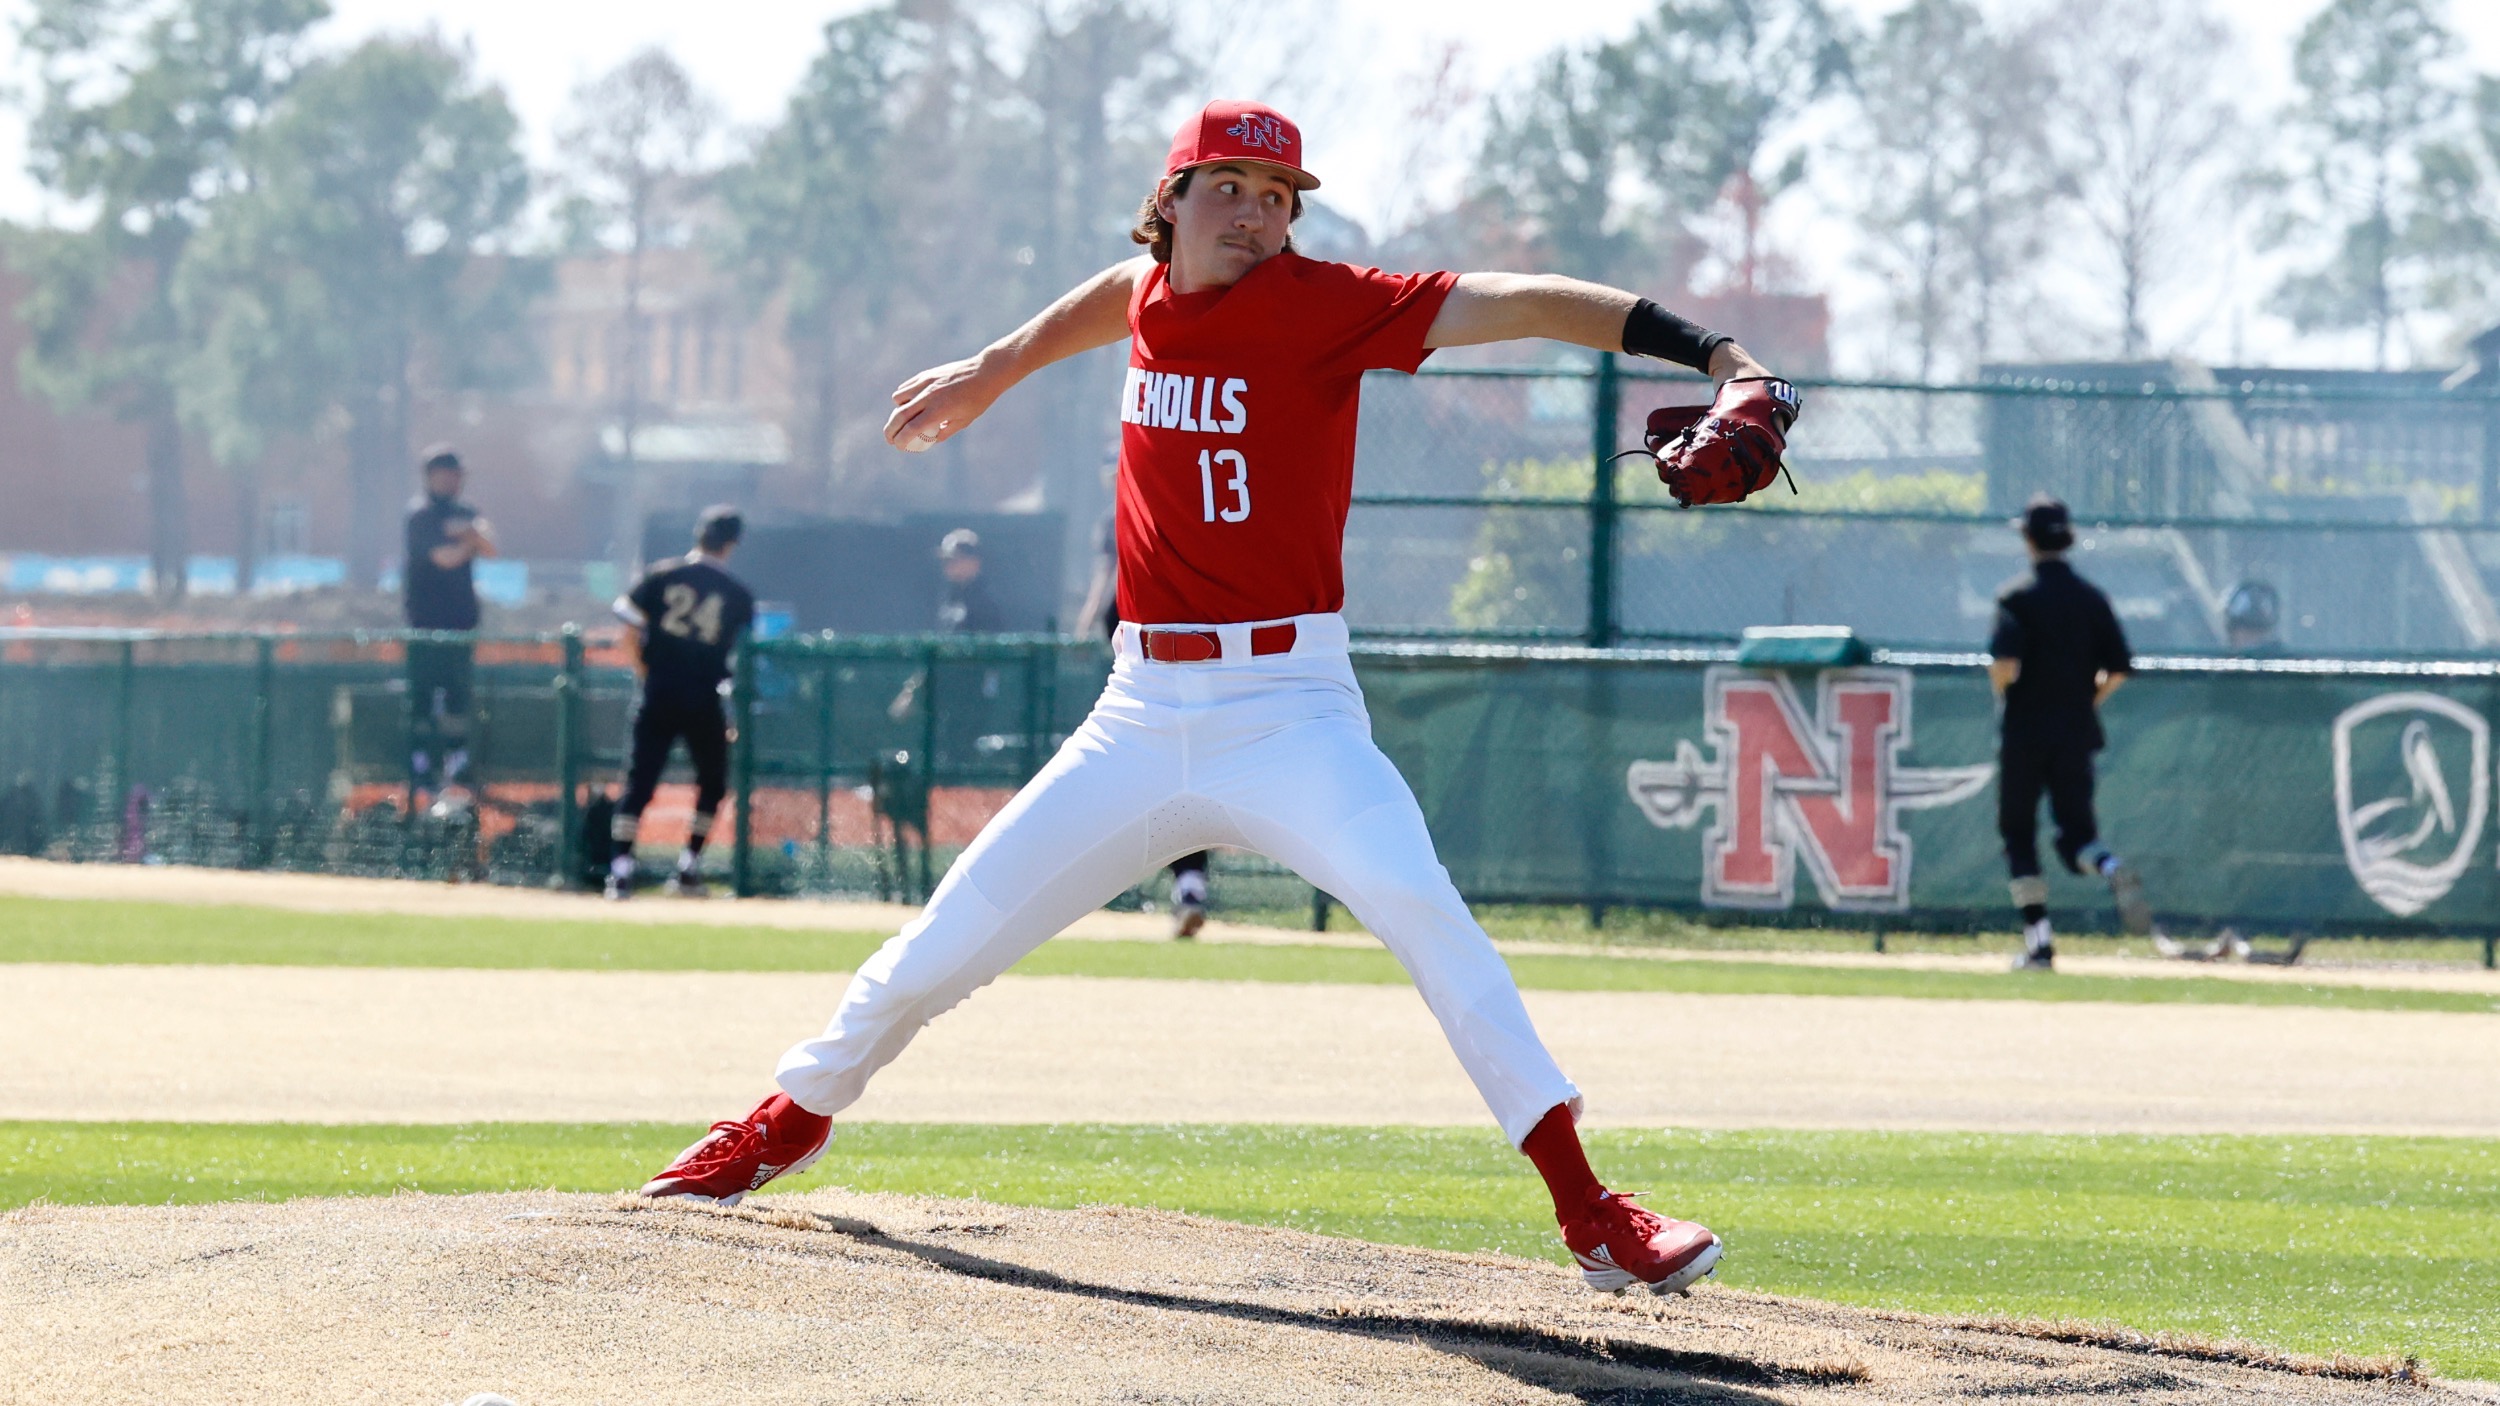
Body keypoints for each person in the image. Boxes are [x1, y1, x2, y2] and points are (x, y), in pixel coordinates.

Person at [637, 99, 1798, 1298]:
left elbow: (1528, 298)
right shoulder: (1145, 290)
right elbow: (1111, 294)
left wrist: (1720, 354)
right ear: (1172, 199)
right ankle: (784, 1120)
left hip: (1287, 706)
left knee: (1419, 904)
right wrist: (994, 368)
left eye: (1279, 195)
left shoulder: (1324, 302)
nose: (1256, 213)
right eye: (1230, 187)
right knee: (937, 948)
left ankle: (1588, 1206)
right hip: (1138, 714)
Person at [1990, 496, 2145, 970]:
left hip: (2025, 732)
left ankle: (2039, 944)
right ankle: (2108, 866)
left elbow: (2005, 665)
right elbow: (2118, 669)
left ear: (2027, 538)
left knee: (2018, 834)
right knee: (2075, 835)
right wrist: (2084, 700)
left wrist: (2006, 699)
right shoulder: (2092, 598)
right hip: (2076, 731)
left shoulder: (2017, 597)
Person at [1080, 462, 1212, 939]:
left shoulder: (1172, 500)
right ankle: (1183, 882)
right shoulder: (1117, 517)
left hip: (1164, 652)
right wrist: (1091, 615)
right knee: (1169, 777)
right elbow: (1107, 574)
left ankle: (1179, 880)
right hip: (1132, 654)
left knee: (1172, 776)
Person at [607, 506, 757, 899]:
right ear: (732, 543)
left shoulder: (663, 574)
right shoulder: (738, 594)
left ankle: (620, 870)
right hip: (704, 697)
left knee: (639, 781)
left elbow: (625, 625)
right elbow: (744, 657)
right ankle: (688, 868)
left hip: (658, 691)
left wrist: (645, 670)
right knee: (712, 782)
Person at [402, 445, 495, 809]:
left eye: (454, 473)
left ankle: (458, 764)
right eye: (441, 473)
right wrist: (469, 539)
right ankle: (421, 766)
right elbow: (445, 558)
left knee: (458, 696)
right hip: (424, 623)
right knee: (423, 698)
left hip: (461, 623)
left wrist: (469, 535)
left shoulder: (466, 512)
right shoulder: (419, 516)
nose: (448, 480)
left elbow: (490, 546)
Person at [2223, 579, 2283, 655]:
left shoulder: (2284, 663)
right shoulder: (2218, 663)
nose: (2252, 637)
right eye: (2245, 629)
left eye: (2259, 630)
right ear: (2231, 633)